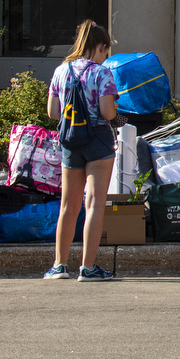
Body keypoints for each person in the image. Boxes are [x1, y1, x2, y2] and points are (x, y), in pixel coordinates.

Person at [44, 20, 119, 281]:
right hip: (97, 139)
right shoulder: (102, 74)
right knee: (95, 203)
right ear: (100, 46)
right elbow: (108, 112)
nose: (105, 55)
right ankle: (87, 268)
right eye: (105, 50)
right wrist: (116, 112)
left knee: (68, 205)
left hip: (70, 139)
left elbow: (53, 112)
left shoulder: (61, 71)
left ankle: (58, 265)